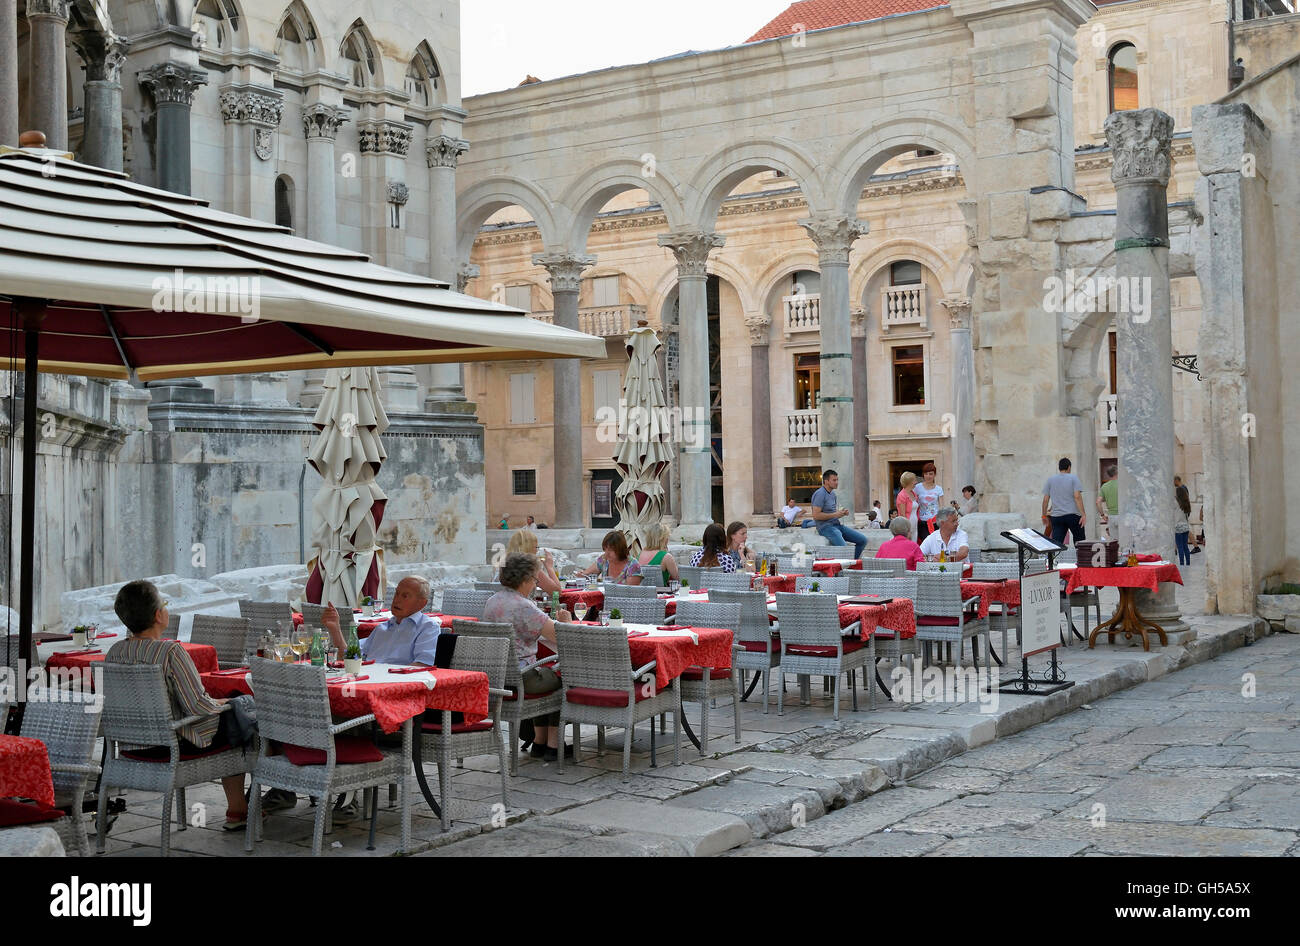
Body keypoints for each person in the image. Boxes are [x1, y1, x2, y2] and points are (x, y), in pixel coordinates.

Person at [107, 580, 253, 830]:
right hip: (172, 747)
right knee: (241, 716)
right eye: (164, 604)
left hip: (131, 747)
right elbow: (198, 707)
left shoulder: (114, 653)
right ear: (157, 615)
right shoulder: (170, 652)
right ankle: (241, 809)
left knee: (236, 710)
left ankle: (240, 811)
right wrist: (228, 703)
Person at [483, 554, 571, 761]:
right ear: (524, 580)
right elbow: (561, 636)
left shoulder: (492, 601)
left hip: (497, 677)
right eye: (534, 579)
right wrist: (565, 621)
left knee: (548, 671)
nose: (535, 584)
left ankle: (540, 742)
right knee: (565, 674)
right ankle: (553, 744)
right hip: (521, 678)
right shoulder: (523, 605)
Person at [324, 575, 439, 667]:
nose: (397, 599)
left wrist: (389, 677)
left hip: (396, 687)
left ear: (422, 603)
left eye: (405, 596)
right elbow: (348, 657)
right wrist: (335, 629)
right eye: (397, 593)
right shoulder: (382, 628)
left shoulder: (427, 627)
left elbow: (423, 665)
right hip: (368, 680)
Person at [809, 469, 867, 558]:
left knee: (863, 540)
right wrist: (836, 515)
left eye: (837, 480)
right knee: (844, 549)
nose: (837, 482)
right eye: (834, 480)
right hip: (826, 528)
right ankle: (847, 565)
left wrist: (842, 513)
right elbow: (816, 515)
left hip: (837, 525)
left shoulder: (832, 494)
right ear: (826, 481)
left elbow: (831, 512)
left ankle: (850, 563)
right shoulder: (819, 494)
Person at [1042, 457, 1086, 545]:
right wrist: (1083, 514)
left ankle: (1056, 559)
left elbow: (1045, 500)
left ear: (1059, 468)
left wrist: (1044, 516)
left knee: (1057, 544)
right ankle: (1080, 558)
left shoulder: (1050, 480)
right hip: (1073, 515)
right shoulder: (1073, 478)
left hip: (1057, 517)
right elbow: (1077, 497)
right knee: (1080, 544)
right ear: (1069, 467)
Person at [575, 530, 643, 585]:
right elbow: (587, 574)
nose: (606, 553)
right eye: (605, 549)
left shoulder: (632, 565)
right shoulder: (604, 560)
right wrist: (581, 575)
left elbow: (631, 592)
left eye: (610, 550)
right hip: (605, 599)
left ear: (620, 549)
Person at [914, 462, 945, 537]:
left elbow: (942, 506)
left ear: (934, 475)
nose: (928, 476)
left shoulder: (939, 489)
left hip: (935, 521)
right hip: (921, 521)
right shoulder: (917, 488)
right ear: (923, 474)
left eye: (931, 474)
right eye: (926, 474)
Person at [1097, 465, 1118, 538]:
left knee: (1114, 542)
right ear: (1117, 472)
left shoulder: (1104, 486)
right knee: (1126, 543)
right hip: (1123, 516)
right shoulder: (1122, 484)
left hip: (1111, 516)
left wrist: (1102, 515)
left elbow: (1098, 502)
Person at [896, 471, 919, 539]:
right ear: (910, 482)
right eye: (915, 480)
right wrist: (907, 529)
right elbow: (903, 515)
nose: (916, 482)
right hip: (907, 525)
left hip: (915, 523)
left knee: (914, 541)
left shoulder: (913, 493)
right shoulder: (901, 495)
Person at [1175, 481, 1192, 566]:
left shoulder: (1176, 503)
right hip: (1186, 526)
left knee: (1180, 547)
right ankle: (1188, 563)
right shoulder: (1186, 503)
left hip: (1178, 527)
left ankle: (1181, 563)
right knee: (1185, 546)